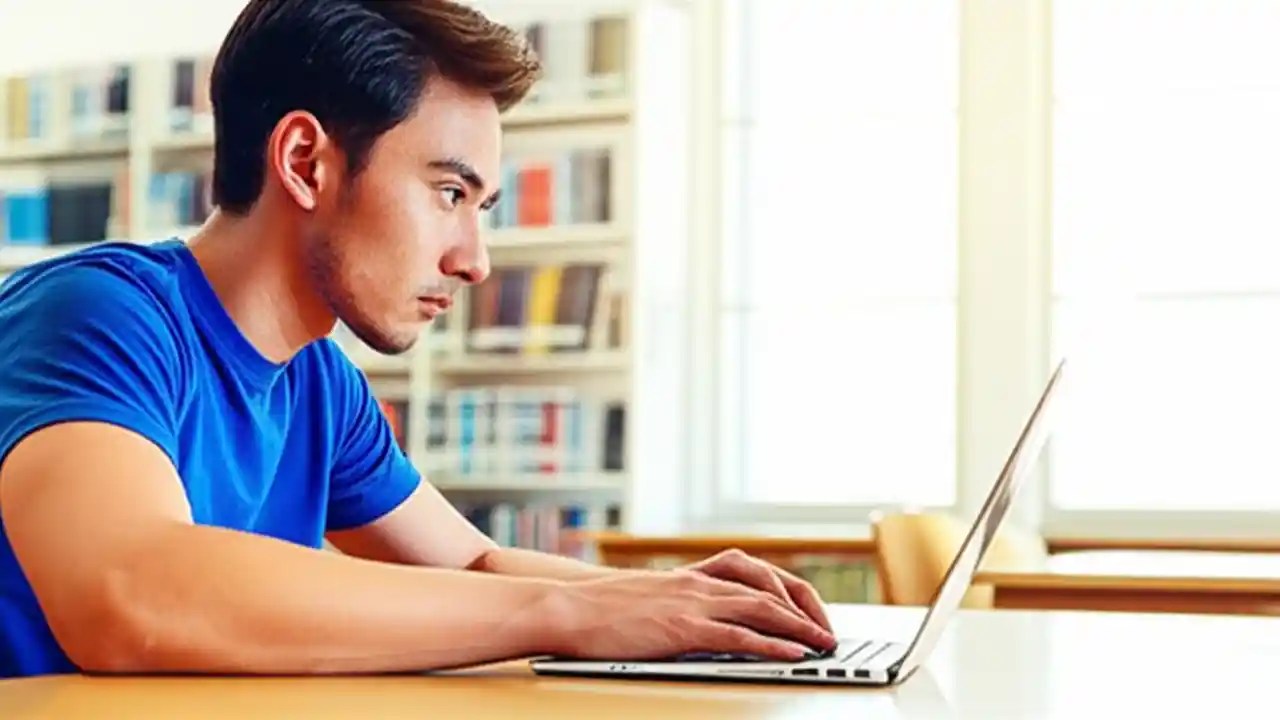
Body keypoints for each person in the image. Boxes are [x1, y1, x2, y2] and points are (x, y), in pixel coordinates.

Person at [0, 0, 836, 678]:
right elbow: (131, 593)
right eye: (447, 193)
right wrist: (572, 612)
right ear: (304, 162)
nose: (473, 261)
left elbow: (468, 567)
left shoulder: (318, 381)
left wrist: (676, 604)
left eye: (481, 208)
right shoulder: (98, 313)